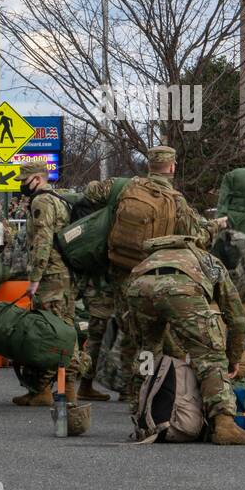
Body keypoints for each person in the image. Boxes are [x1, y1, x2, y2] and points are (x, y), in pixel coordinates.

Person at [77, 146, 214, 404]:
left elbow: (90, 191)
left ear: (149, 165)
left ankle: (125, 384)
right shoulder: (176, 200)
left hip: (120, 268)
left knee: (129, 325)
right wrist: (214, 228)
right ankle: (142, 386)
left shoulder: (124, 187)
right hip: (153, 271)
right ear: (172, 167)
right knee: (148, 334)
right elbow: (196, 237)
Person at [125, 234, 245, 445]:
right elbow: (237, 318)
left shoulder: (152, 258)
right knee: (210, 354)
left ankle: (142, 416)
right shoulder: (208, 260)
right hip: (180, 288)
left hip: (138, 287)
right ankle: (225, 425)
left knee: (147, 351)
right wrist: (232, 358)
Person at [15, 160, 81, 406]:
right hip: (65, 275)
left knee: (49, 333)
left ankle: (43, 390)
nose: (23, 185)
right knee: (65, 329)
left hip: (51, 276)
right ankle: (67, 387)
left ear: (38, 179)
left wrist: (34, 279)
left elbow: (43, 241)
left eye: (25, 181)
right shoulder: (60, 199)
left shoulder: (41, 201)